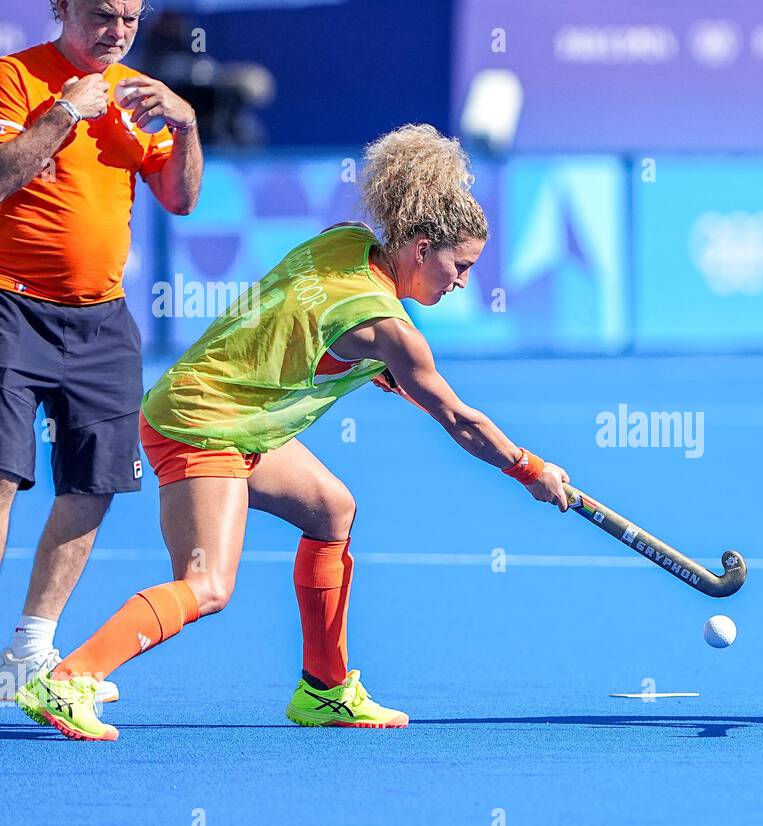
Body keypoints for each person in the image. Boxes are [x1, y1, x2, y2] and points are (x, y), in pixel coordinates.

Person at [16, 123, 570, 741]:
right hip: (203, 424)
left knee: (332, 509)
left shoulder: (346, 243)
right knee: (206, 585)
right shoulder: (391, 330)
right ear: (419, 248)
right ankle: (68, 680)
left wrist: (373, 369)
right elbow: (460, 420)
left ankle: (326, 690)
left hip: (232, 415)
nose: (463, 281)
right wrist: (528, 468)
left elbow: (303, 322)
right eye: (458, 265)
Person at [0, 0, 201, 704]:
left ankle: (29, 648)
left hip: (102, 321)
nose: (116, 31)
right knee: (0, 474)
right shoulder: (17, 80)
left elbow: (178, 200)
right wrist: (64, 114)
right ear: (60, 9)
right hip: (8, 304)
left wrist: (186, 125)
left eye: (129, 18)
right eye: (101, 15)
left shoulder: (137, 97)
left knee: (95, 482)